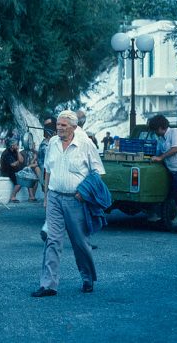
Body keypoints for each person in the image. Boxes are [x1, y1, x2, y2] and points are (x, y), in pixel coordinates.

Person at [31, 110, 105, 297]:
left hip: (76, 200)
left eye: (63, 125)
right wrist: (46, 196)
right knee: (52, 241)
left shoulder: (85, 144)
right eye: (58, 125)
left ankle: (88, 278)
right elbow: (48, 170)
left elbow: (97, 171)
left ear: (73, 126)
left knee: (80, 242)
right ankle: (48, 285)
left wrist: (83, 192)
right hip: (55, 197)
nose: (59, 128)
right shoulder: (52, 144)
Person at [0, 139, 24, 203]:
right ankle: (13, 197)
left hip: (13, 170)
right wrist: (18, 162)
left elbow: (21, 160)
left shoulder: (14, 151)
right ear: (12, 146)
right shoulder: (6, 153)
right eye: (16, 145)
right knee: (19, 183)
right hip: (7, 171)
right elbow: (12, 164)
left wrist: (18, 151)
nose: (17, 146)